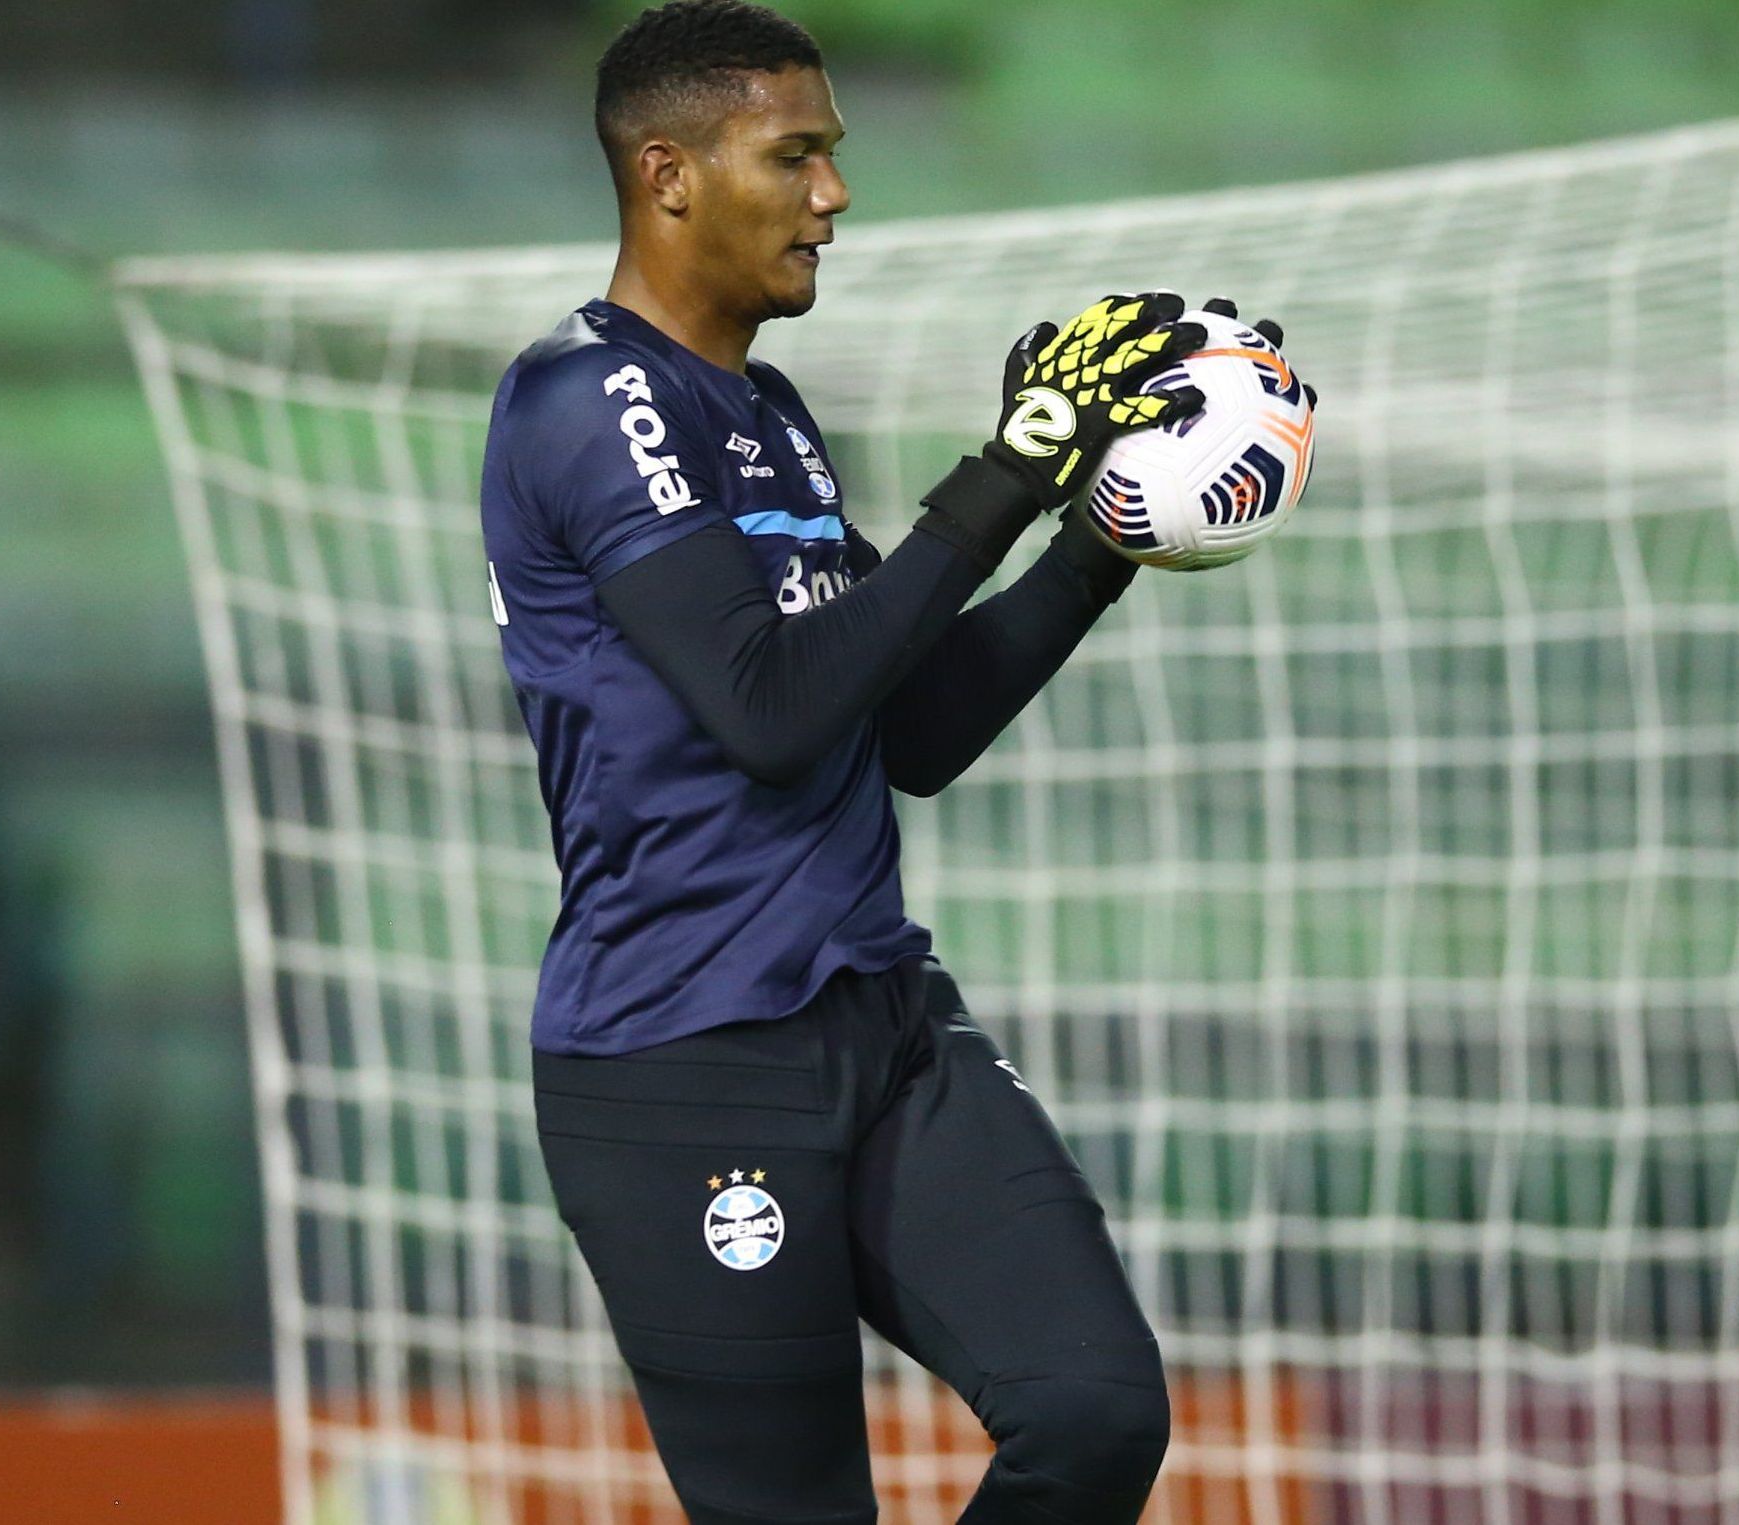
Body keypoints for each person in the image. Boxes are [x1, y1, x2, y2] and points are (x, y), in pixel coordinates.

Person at [479, 4, 1289, 1519]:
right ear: (668, 174)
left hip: (883, 1024)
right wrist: (1007, 466)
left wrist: (1096, 537)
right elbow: (772, 711)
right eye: (797, 158)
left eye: (834, 159)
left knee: (1096, 1410)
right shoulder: (586, 400)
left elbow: (904, 727)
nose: (833, 197)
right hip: (686, 1061)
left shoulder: (771, 419)